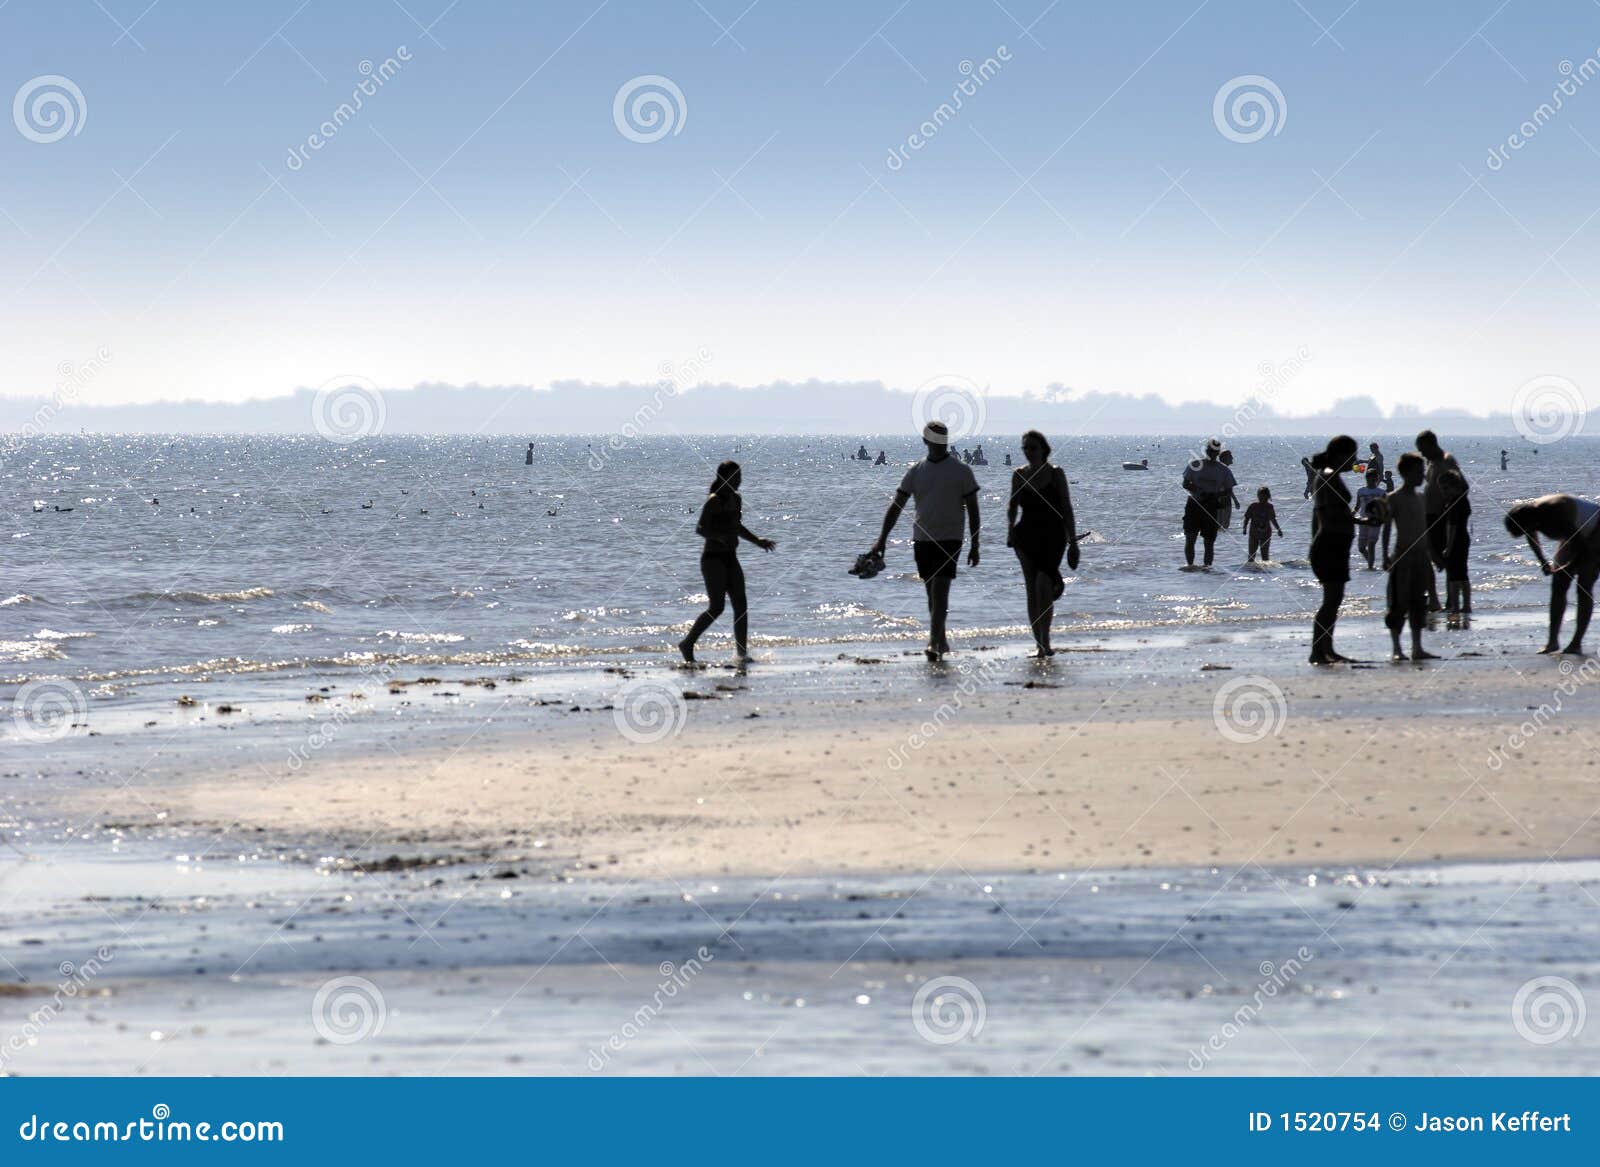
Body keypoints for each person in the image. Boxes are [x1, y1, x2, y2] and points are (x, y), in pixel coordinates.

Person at [871, 421, 980, 660]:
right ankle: (941, 640)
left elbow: (973, 509)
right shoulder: (916, 471)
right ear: (926, 441)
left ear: (948, 440)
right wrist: (881, 540)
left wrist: (975, 544)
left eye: (943, 437)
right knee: (932, 594)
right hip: (922, 540)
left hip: (950, 539)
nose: (939, 442)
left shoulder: (961, 470)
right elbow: (896, 507)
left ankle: (933, 643)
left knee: (940, 591)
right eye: (934, 437)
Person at [677, 461, 776, 664]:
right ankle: (687, 643)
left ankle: (741, 653)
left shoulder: (737, 499)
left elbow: (737, 526)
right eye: (733, 477)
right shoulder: (714, 501)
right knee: (717, 607)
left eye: (739, 477)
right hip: (713, 560)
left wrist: (758, 541)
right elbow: (700, 529)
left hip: (731, 557)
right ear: (722, 478)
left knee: (741, 605)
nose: (738, 481)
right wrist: (717, 536)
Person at [1006, 430, 1079, 657]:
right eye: (1025, 448)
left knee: (1043, 585)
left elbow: (1067, 507)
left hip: (1053, 537)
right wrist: (1009, 531)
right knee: (1031, 590)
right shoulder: (1018, 475)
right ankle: (1038, 644)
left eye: (1033, 448)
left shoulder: (1056, 474)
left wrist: (1073, 541)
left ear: (1043, 449)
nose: (1029, 452)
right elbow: (1012, 506)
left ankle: (1046, 642)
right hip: (1025, 537)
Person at [1307, 435, 1376, 664]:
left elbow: (1335, 514)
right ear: (1340, 455)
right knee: (1331, 600)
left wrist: (1362, 522)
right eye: (1352, 456)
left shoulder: (1331, 476)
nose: (1355, 461)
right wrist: (1361, 521)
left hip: (1335, 544)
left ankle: (1327, 648)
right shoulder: (1327, 476)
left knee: (1334, 600)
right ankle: (1318, 650)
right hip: (1330, 545)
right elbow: (1329, 516)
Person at [1504, 494, 1600, 655]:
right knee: (1558, 584)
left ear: (1534, 521)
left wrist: (1568, 567)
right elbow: (1531, 536)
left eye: (1528, 528)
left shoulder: (1555, 512)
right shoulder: (1529, 517)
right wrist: (1543, 562)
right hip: (1573, 535)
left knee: (1584, 586)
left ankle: (1576, 643)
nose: (1531, 531)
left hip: (1596, 530)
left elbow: (1584, 549)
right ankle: (1552, 642)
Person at [1381, 453, 1439, 662]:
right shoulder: (1393, 498)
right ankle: (1397, 648)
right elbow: (1387, 527)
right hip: (1402, 556)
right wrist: (1384, 555)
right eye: (1418, 472)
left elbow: (1426, 531)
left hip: (1421, 557)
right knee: (1398, 603)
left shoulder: (1421, 498)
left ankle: (1417, 647)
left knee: (1418, 603)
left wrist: (1434, 556)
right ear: (1405, 473)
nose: (1422, 476)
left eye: (1423, 472)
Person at [1416, 430, 1464, 611]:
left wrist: (1451, 511)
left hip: (1442, 515)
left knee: (1447, 558)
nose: (1422, 454)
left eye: (1423, 449)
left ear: (1431, 444)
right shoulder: (1431, 462)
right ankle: (1434, 599)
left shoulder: (1447, 460)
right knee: (1429, 556)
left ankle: (1452, 601)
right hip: (1428, 515)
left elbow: (1461, 486)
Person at [1182, 439, 1236, 567]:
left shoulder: (1224, 470)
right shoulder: (1195, 464)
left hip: (1211, 505)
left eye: (1215, 451)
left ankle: (1207, 567)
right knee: (1190, 538)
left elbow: (1228, 490)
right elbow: (1185, 483)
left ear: (1218, 453)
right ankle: (1190, 566)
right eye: (1210, 451)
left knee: (1209, 541)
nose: (1212, 453)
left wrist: (1215, 495)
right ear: (1206, 451)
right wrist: (1199, 491)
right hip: (1194, 504)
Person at [1439, 468, 1472, 615]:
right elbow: (1466, 486)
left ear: (1453, 486)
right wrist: (1457, 470)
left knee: (1453, 575)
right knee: (1463, 573)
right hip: (1464, 538)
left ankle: (1456, 606)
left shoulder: (1454, 503)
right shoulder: (1463, 499)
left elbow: (1451, 527)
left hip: (1456, 540)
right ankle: (1466, 605)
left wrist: (1448, 548)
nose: (1444, 492)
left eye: (1446, 489)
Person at [1354, 469, 1387, 570]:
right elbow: (1357, 506)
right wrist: (1352, 513)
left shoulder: (1381, 492)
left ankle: (1370, 568)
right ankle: (1371, 563)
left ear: (1377, 479)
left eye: (1374, 478)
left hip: (1375, 522)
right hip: (1363, 521)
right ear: (1366, 478)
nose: (1371, 480)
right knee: (1361, 548)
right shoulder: (1361, 491)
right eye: (1369, 478)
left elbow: (1386, 508)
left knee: (1371, 545)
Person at [1241, 486, 1283, 562]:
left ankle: (1265, 571)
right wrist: (1244, 528)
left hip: (1266, 533)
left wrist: (1278, 529)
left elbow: (1273, 519)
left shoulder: (1269, 507)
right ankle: (1251, 571)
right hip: (1253, 533)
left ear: (1267, 496)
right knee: (1251, 556)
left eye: (1263, 495)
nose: (1261, 497)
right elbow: (1247, 518)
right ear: (1258, 495)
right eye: (1260, 495)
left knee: (1265, 557)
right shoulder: (1253, 506)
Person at [1217, 450, 1241, 529]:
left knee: (1217, 525)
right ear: (1226, 459)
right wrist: (1235, 501)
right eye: (1230, 457)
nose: (1232, 458)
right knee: (1225, 526)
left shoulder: (1216, 469)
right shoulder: (1227, 471)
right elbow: (1229, 488)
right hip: (1225, 500)